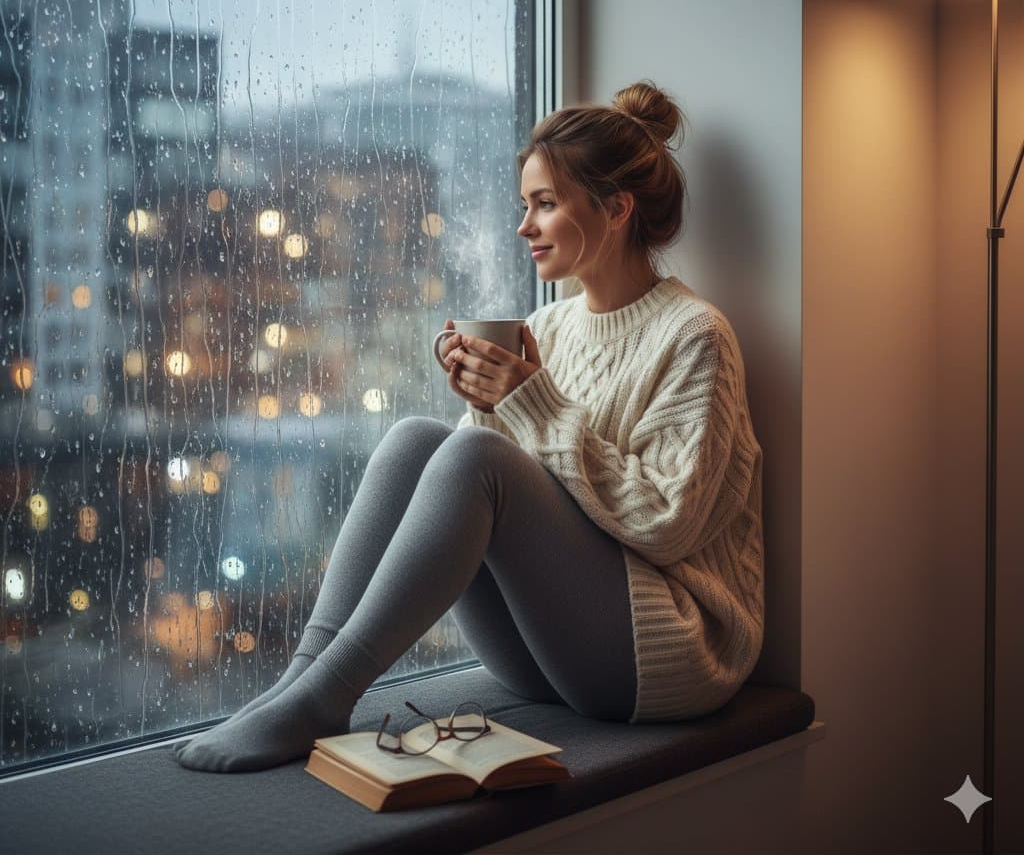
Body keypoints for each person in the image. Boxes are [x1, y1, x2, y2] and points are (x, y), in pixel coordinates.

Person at [174, 81, 764, 773]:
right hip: (556, 651)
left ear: (616, 209)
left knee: (469, 456)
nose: (525, 225)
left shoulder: (695, 336)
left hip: (667, 653)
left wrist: (528, 403)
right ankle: (302, 680)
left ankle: (322, 699)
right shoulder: (547, 326)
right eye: (524, 205)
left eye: (545, 204)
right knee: (416, 440)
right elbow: (500, 494)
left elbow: (669, 523)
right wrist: (485, 399)